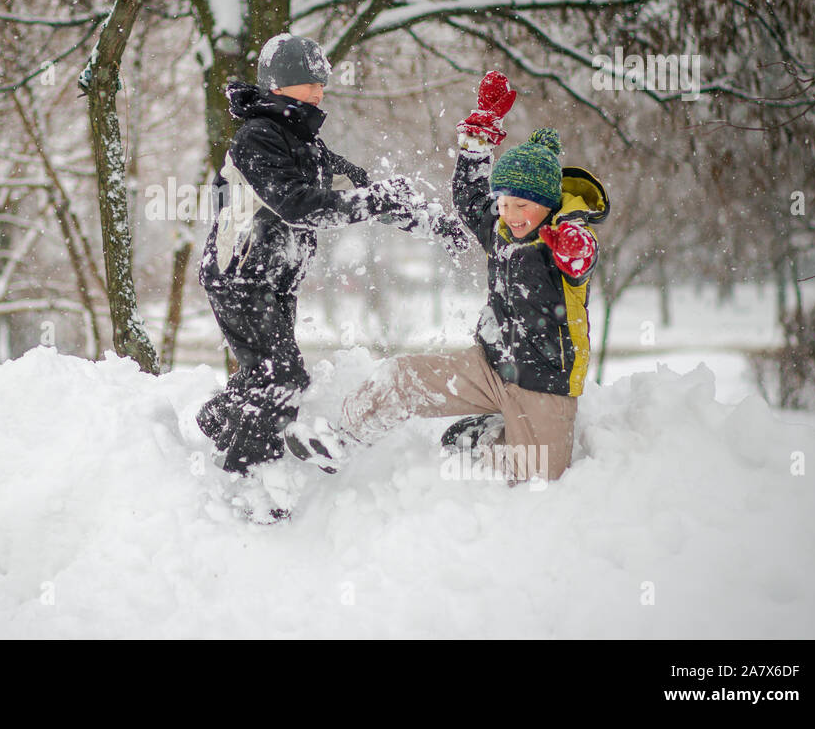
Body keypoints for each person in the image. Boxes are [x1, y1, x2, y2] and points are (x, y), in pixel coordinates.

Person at [285, 70, 610, 484]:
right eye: (506, 202)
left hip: (543, 383)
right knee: (401, 379)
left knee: (538, 480)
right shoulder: (503, 228)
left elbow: (582, 259)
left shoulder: (565, 237)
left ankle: (483, 440)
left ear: (548, 203)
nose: (512, 214)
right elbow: (471, 197)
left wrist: (572, 246)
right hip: (491, 365)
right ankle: (340, 438)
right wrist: (479, 137)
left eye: (523, 205)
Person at [196, 33, 468, 502]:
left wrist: (434, 224)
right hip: (239, 277)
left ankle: (218, 419)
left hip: (274, 281)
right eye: (309, 82)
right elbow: (298, 205)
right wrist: (372, 199)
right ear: (280, 86)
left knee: (266, 372)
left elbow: (363, 192)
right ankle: (247, 483)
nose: (320, 92)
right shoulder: (257, 139)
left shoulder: (306, 144)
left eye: (322, 82)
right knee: (282, 378)